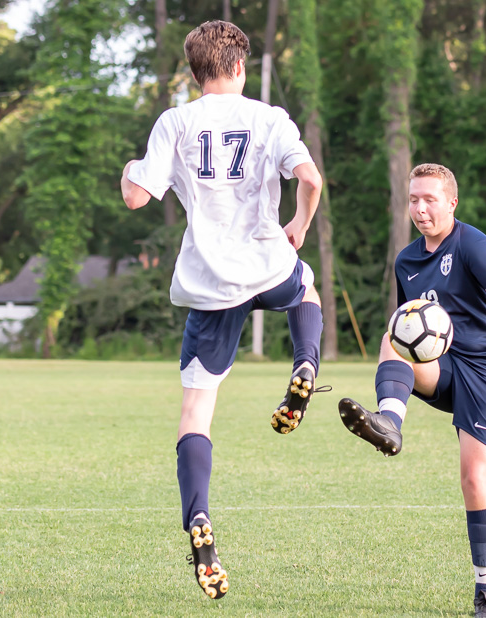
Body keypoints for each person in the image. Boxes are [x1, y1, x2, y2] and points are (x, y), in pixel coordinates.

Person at [120, 20, 325, 600]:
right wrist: (298, 227)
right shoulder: (270, 118)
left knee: (195, 415)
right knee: (305, 290)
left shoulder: (176, 121)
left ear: (194, 72)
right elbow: (310, 178)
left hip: (209, 283)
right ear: (239, 67)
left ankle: (200, 520)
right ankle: (305, 364)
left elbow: (138, 195)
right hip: (267, 264)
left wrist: (129, 174)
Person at [338, 163, 486, 617]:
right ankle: (389, 421)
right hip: (443, 369)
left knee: (474, 480)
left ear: (452, 203)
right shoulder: (407, 261)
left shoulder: (470, 243)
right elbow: (414, 330)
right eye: (413, 200)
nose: (421, 209)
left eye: (430, 199)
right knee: (394, 335)